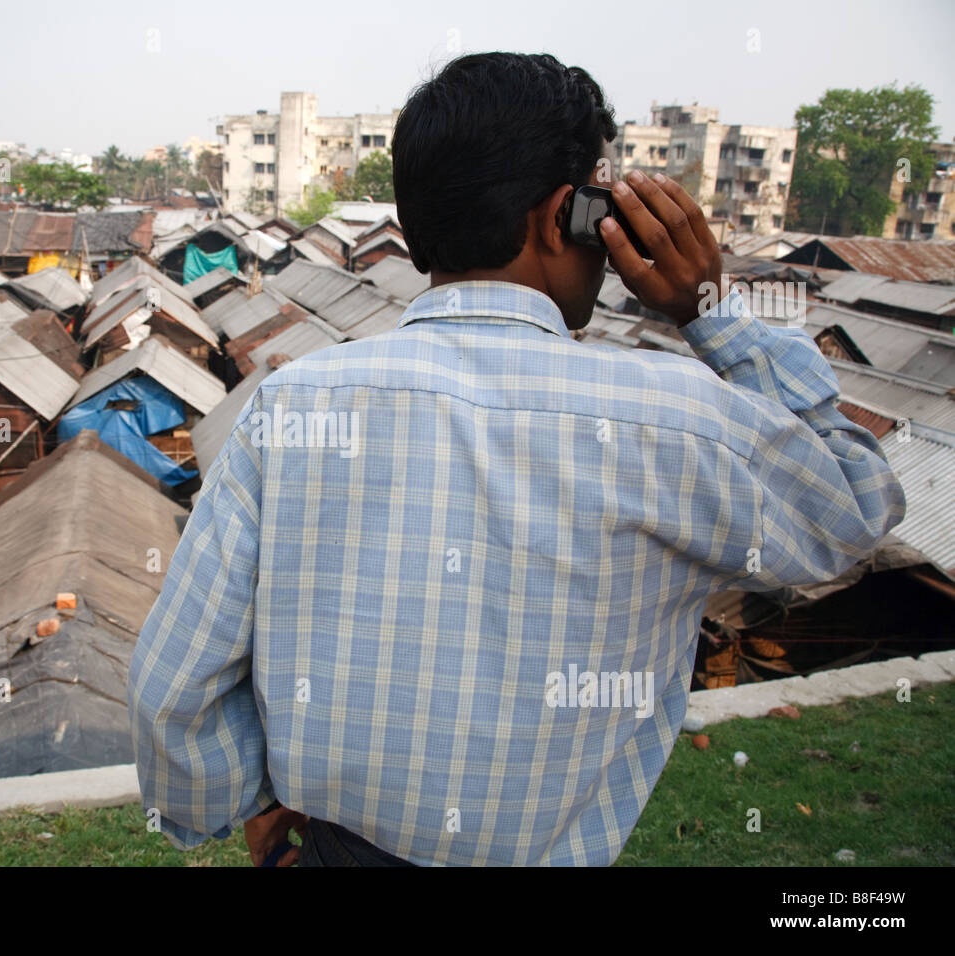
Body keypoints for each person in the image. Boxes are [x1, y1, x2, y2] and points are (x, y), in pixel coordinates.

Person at [128, 52, 906, 866]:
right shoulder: (683, 422)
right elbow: (852, 506)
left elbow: (173, 685)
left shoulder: (292, 405)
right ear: (564, 214)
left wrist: (237, 797)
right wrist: (716, 314)